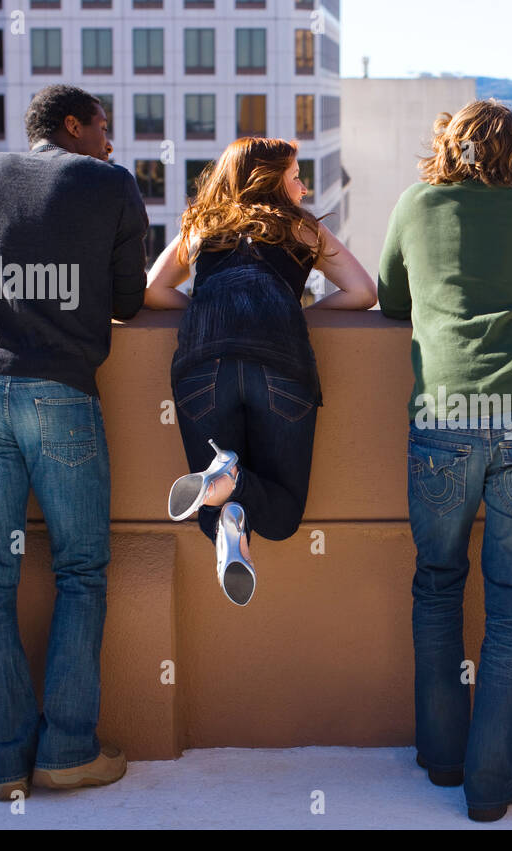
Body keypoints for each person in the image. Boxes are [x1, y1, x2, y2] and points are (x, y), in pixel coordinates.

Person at [378, 99, 512, 821]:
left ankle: (442, 759)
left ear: (447, 145)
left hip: (443, 417)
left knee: (437, 585)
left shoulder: (416, 204)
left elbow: (388, 298)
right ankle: (492, 785)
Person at [0, 85, 148, 801]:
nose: (110, 142)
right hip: (61, 396)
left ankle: (5, 765)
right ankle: (66, 750)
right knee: (82, 572)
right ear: (74, 126)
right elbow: (129, 300)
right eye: (103, 128)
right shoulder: (108, 183)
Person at [145, 137, 375, 605]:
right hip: (280, 365)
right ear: (270, 179)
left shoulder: (202, 224)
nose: (304, 188)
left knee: (212, 496)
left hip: (201, 366)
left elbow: (151, 291)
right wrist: (293, 316)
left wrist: (201, 309)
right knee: (285, 515)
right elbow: (362, 292)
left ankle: (228, 510)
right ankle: (233, 484)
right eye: (295, 177)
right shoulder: (302, 228)